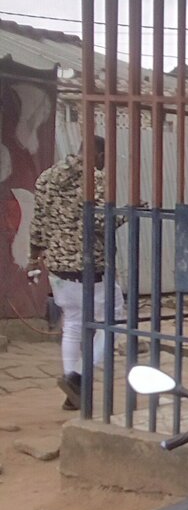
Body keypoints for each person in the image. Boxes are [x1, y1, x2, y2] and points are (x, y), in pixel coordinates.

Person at [29, 136, 126, 411]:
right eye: (104, 156)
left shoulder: (46, 178)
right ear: (96, 154)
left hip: (57, 265)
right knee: (114, 321)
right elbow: (98, 222)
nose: (105, 161)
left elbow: (37, 222)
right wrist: (127, 213)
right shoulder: (93, 179)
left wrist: (32, 256)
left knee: (72, 323)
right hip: (88, 265)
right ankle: (78, 377)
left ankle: (73, 395)